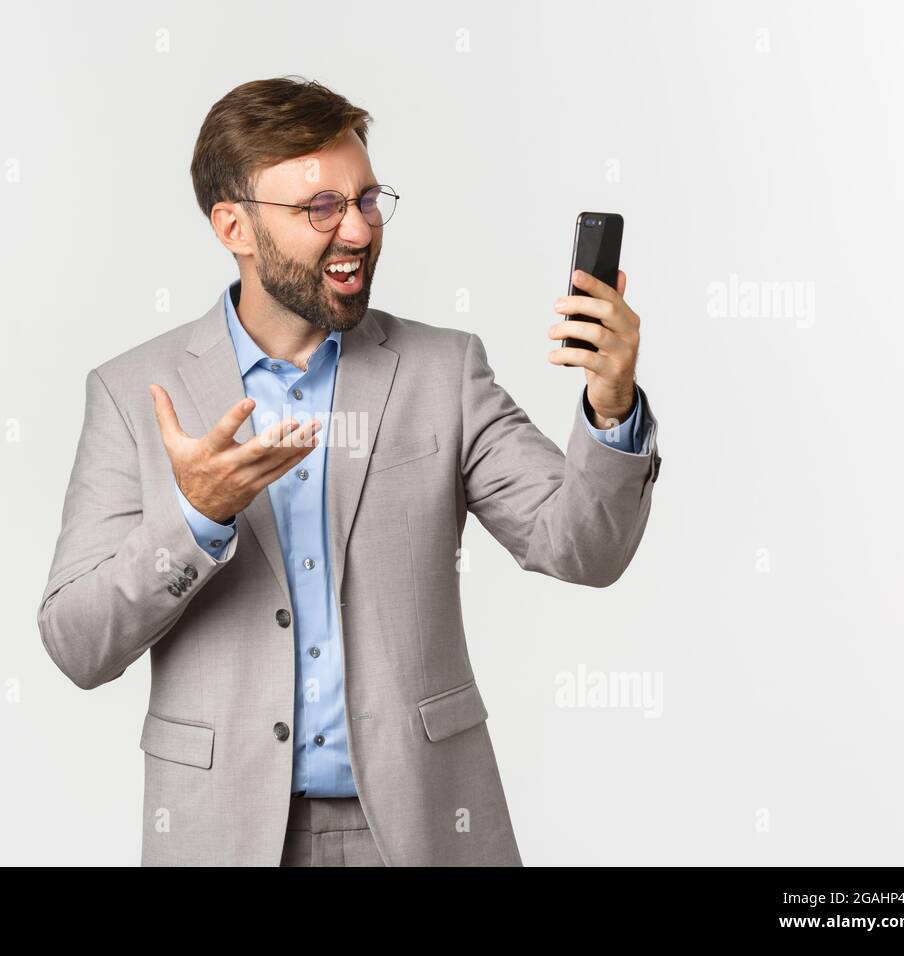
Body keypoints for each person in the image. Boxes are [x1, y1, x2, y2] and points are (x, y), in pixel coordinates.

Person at [37, 76, 661, 866]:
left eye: (367, 199)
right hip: (222, 832)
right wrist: (195, 519)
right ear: (233, 224)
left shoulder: (444, 371)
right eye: (320, 208)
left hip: (425, 826)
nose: (359, 231)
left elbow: (584, 550)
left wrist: (610, 408)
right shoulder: (133, 393)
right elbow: (76, 644)